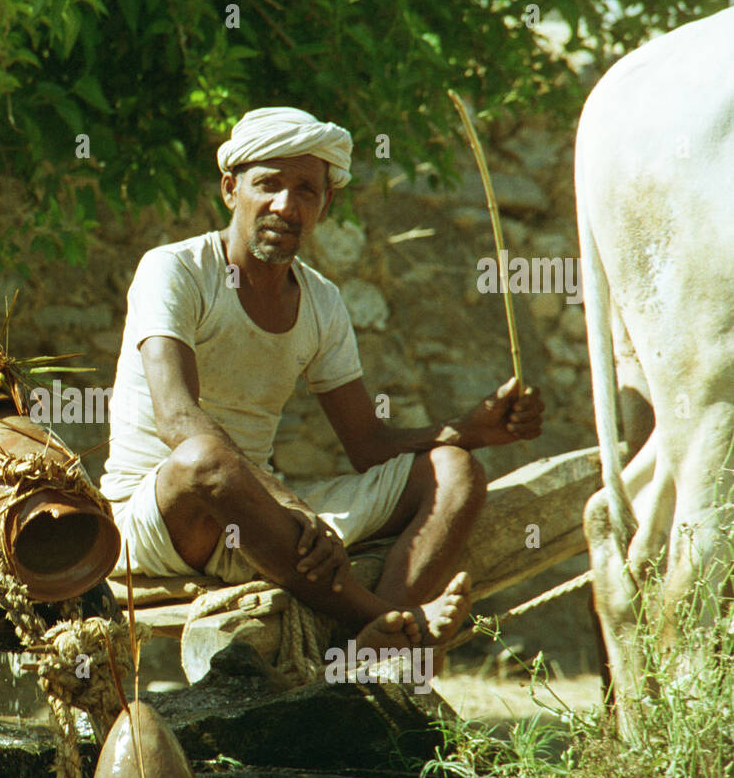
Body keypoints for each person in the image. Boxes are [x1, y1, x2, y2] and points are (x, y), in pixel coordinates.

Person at [100, 107, 544, 652]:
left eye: (307, 191)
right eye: (268, 184)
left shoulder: (323, 303)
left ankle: (381, 646)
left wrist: (470, 430)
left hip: (261, 521)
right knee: (202, 459)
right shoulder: (175, 270)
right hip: (165, 520)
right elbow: (178, 420)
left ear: (325, 206)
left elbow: (368, 445)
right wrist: (289, 505)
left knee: (455, 471)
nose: (286, 205)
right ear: (229, 189)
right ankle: (378, 620)